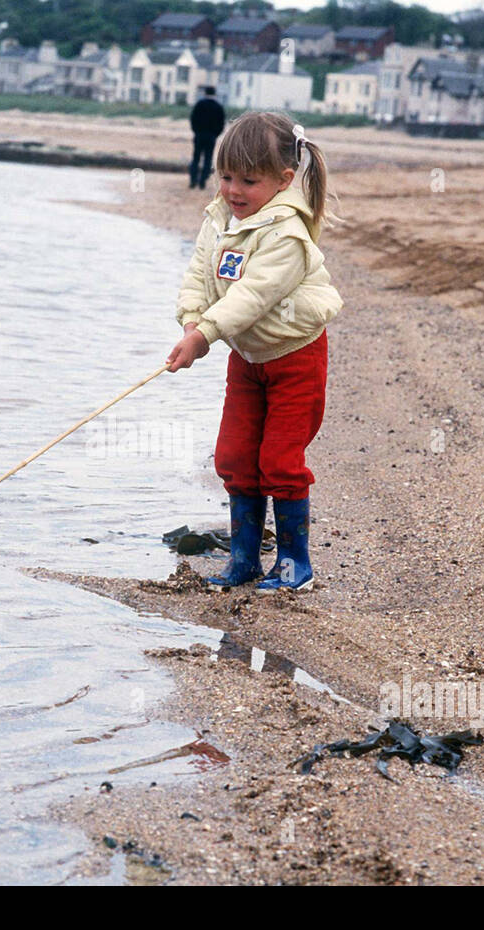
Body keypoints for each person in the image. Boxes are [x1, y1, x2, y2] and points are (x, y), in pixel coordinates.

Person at [166, 112, 343, 592]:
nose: (233, 190)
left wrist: (205, 336)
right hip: (247, 359)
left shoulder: (287, 232)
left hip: (295, 358)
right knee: (235, 456)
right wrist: (190, 320)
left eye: (248, 180)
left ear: (284, 180)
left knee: (281, 461)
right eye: (226, 177)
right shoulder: (220, 218)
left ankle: (293, 566)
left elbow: (252, 296)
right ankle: (243, 560)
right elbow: (200, 275)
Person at [188, 87, 224, 190]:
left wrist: (196, 131)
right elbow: (221, 123)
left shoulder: (200, 104)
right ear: (214, 93)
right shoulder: (218, 106)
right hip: (211, 136)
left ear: (205, 93)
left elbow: (193, 119)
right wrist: (215, 134)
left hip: (199, 134)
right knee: (208, 159)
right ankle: (202, 181)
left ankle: (193, 180)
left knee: (196, 158)